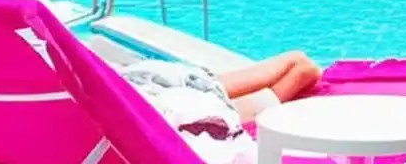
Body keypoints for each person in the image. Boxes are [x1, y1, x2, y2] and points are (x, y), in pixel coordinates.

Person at [118, 52, 321, 158]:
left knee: (301, 66)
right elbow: (306, 70)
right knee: (302, 66)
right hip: (175, 100)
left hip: (167, 98)